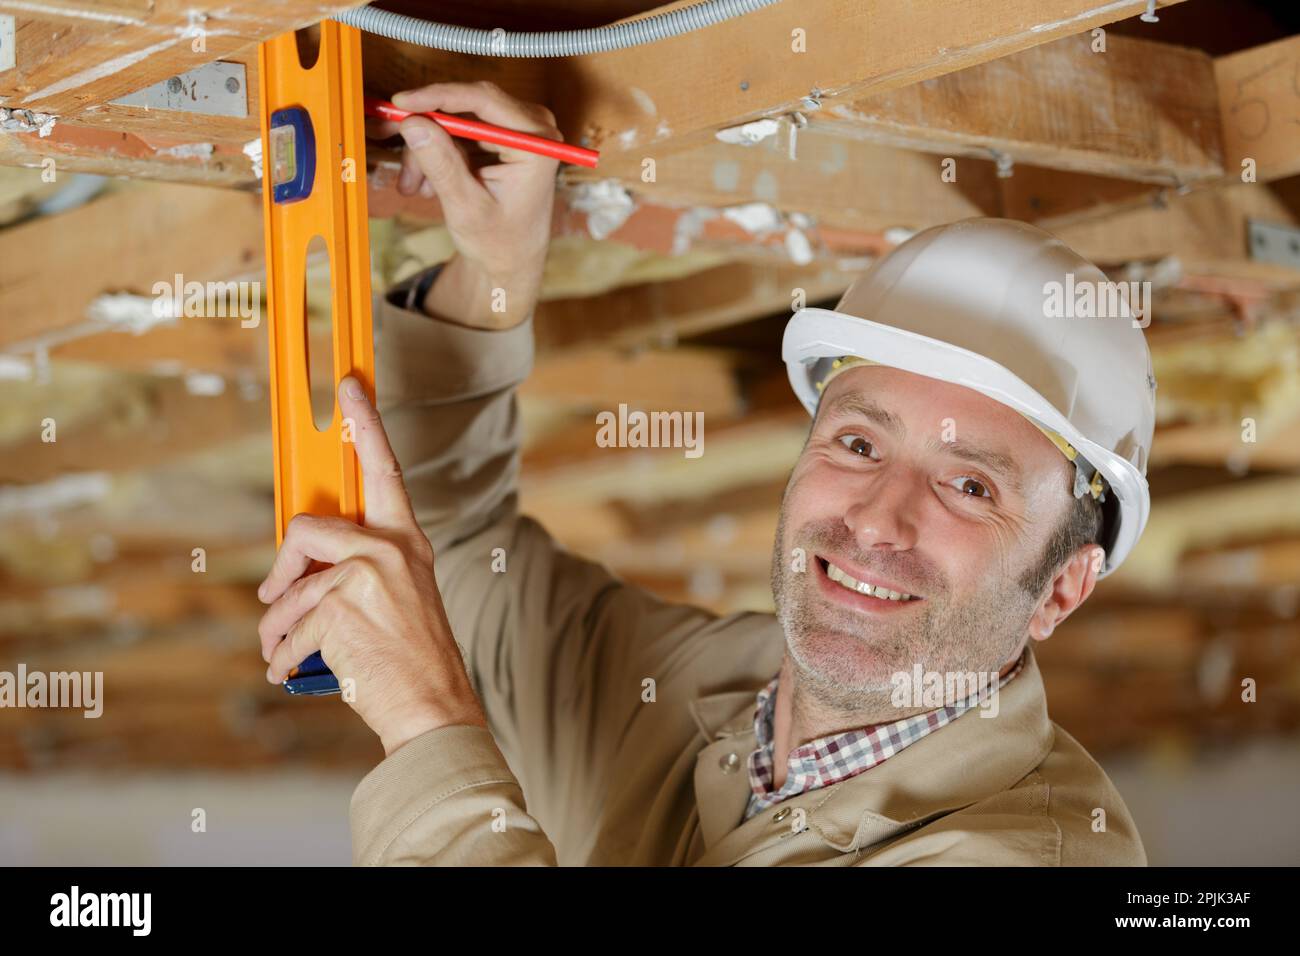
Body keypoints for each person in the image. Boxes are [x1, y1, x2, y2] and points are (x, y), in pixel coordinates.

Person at [256, 81, 1155, 866]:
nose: (879, 520)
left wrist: (427, 724)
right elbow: (443, 561)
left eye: (970, 487)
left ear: (1062, 588)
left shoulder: (1025, 855)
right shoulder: (693, 687)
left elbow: (430, 662)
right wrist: (494, 275)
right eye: (858, 445)